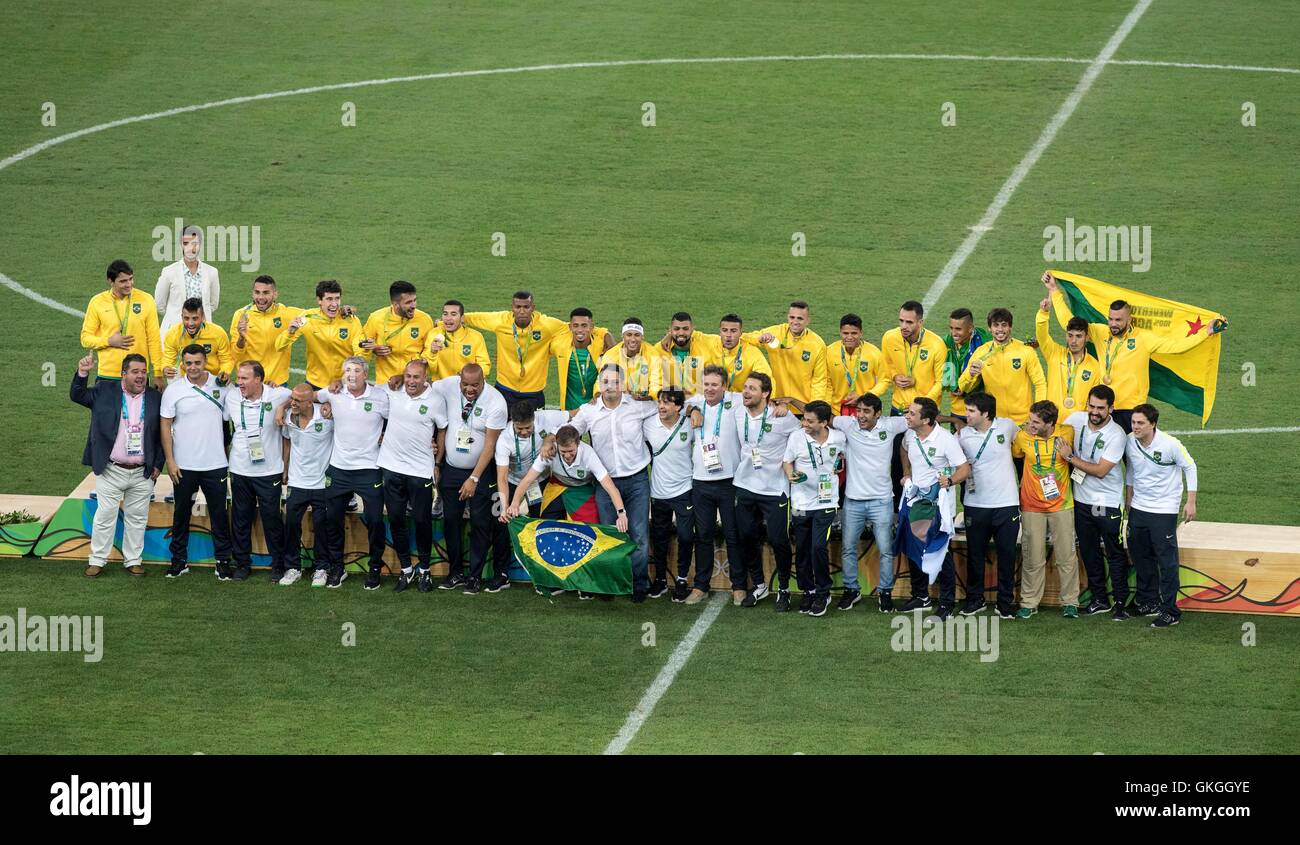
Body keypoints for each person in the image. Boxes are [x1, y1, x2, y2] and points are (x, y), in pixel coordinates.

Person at [1043, 271, 1219, 432]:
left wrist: (1206, 332)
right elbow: (1070, 321)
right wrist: (1054, 291)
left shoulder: (1144, 338)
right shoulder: (1100, 332)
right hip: (1105, 409)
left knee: (1133, 461)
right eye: (1111, 319)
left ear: (1129, 319)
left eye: (1118, 320)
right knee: (1103, 460)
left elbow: (1176, 346)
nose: (1113, 324)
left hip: (1132, 411)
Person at [568, 364, 658, 602]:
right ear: (599, 384)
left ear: (623, 384)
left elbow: (666, 405)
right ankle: (611, 584)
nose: (610, 387)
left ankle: (638, 585)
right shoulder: (589, 412)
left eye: (615, 382)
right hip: (606, 483)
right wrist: (551, 441)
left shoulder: (637, 406)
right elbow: (570, 432)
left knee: (639, 534)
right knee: (609, 535)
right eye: (606, 382)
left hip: (637, 480)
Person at [70, 352, 164, 578]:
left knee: (138, 517)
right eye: (135, 372)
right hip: (111, 468)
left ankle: (133, 560)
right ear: (123, 374)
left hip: (142, 471)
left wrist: (158, 464)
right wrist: (83, 372)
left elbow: (163, 434)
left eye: (144, 371)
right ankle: (97, 560)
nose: (141, 376)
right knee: (105, 516)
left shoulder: (155, 398)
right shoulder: (104, 391)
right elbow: (77, 395)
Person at [1057, 385, 1134, 617]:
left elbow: (1101, 470)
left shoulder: (1117, 434)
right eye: (1091, 406)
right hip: (1081, 501)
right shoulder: (1075, 420)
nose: (1094, 412)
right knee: (1089, 552)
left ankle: (1120, 602)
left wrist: (1070, 457)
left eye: (1101, 408)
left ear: (1111, 408)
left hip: (1108, 503)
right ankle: (1100, 599)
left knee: (1115, 553)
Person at [432, 364, 508, 593]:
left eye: (475, 385)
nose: (469, 389)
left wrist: (474, 478)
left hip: (481, 472)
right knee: (451, 522)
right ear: (459, 380)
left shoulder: (496, 402)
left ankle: (475, 576)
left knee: (480, 523)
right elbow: (423, 386)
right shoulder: (447, 386)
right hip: (452, 469)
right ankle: (455, 573)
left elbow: (490, 445)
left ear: (484, 380)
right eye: (465, 384)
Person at [316, 356, 390, 590]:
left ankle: (375, 567)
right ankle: (337, 567)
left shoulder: (380, 396)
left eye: (356, 370)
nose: (351, 375)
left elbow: (396, 419)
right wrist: (323, 405)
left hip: (369, 469)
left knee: (376, 520)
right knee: (332, 520)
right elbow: (308, 398)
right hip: (339, 469)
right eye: (347, 370)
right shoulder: (333, 392)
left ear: (365, 374)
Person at [160, 344, 233, 579]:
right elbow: (165, 424)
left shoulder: (222, 387)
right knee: (181, 514)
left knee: (219, 515)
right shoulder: (174, 390)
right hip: (184, 465)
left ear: (206, 361)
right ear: (183, 363)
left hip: (215, 464)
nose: (192, 367)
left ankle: (222, 561)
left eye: (197, 363)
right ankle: (178, 560)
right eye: (188, 363)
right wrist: (170, 461)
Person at [831, 392, 908, 612]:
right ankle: (851, 590)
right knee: (847, 548)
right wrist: (789, 402)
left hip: (882, 501)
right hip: (853, 501)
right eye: (859, 410)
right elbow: (821, 414)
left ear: (878, 413)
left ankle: (885, 593)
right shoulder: (848, 424)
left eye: (866, 411)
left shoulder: (890, 425)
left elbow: (919, 418)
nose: (861, 416)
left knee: (885, 550)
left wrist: (955, 422)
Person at [730, 373, 800, 608]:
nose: (746, 392)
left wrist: (785, 404)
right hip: (745, 485)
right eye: (745, 387)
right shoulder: (738, 410)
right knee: (747, 536)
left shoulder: (783, 417)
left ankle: (783, 587)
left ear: (765, 393)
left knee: (779, 540)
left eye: (752, 388)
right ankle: (759, 584)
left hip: (775, 488)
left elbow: (802, 436)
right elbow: (705, 396)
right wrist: (693, 411)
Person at [1125, 404, 1198, 628]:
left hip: (1164, 510)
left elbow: (1190, 466)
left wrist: (1191, 501)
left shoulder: (1170, 444)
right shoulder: (1130, 441)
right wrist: (1129, 499)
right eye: (1133, 422)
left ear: (1153, 424)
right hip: (1139, 507)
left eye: (1140, 423)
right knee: (1141, 556)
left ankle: (1170, 610)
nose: (1135, 427)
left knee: (1167, 562)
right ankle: (1148, 601)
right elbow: (1131, 470)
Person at [898, 397, 970, 620]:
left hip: (937, 506)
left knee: (939, 552)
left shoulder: (946, 440)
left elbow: (964, 468)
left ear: (926, 419)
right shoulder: (910, 435)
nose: (907, 417)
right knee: (913, 549)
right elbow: (903, 450)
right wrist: (907, 474)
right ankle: (921, 596)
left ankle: (947, 603)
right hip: (914, 502)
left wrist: (949, 482)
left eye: (911, 413)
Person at [682, 365, 745, 605]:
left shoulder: (735, 402)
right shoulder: (696, 401)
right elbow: (682, 403)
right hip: (700, 481)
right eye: (706, 384)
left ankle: (738, 586)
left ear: (725, 387)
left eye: (714, 385)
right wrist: (693, 409)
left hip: (730, 480)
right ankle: (700, 586)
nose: (709, 389)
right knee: (704, 535)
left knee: (732, 535)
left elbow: (761, 396)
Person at [1011, 400, 1080, 619]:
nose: (1030, 425)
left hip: (1062, 504)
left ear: (1050, 423)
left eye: (1035, 422)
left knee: (1066, 555)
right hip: (1032, 505)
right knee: (1032, 556)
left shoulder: (1067, 434)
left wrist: (1070, 455)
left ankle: (1070, 602)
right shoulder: (1022, 437)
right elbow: (1017, 457)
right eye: (1030, 420)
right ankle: (1029, 602)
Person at [224, 360, 291, 583]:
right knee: (241, 519)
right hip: (240, 468)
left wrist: (283, 406)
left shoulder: (277, 395)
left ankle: (278, 564)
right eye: (238, 377)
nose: (239, 382)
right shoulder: (232, 396)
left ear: (258, 379)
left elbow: (305, 394)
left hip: (269, 470)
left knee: (272, 519)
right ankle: (242, 564)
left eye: (244, 378)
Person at [955, 392, 1021, 618]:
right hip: (975, 504)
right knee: (975, 555)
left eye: (971, 411)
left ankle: (1005, 603)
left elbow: (1025, 443)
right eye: (966, 410)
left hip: (1007, 503)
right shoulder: (962, 435)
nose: (966, 414)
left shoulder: (1007, 427)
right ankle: (975, 600)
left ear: (986, 413)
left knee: (1007, 554)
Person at [376, 360, 439, 593]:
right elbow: (362, 388)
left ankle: (424, 569)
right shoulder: (392, 391)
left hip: (420, 469)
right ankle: (405, 569)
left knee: (422, 520)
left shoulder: (435, 400)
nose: (412, 381)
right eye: (408, 376)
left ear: (425, 378)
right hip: (391, 467)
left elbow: (442, 429)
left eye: (416, 377)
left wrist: (438, 461)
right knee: (396, 519)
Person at [783, 400, 847, 617]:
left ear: (824, 422)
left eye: (810, 421)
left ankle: (823, 592)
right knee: (802, 549)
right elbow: (787, 461)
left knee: (818, 547)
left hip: (826, 502)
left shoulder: (839, 438)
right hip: (801, 502)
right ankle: (807, 590)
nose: (804, 424)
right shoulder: (796, 437)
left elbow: (843, 460)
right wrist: (790, 473)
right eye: (804, 419)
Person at [464, 291, 570, 409]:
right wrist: (443, 323)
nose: (522, 311)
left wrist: (554, 347)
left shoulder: (546, 324)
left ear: (533, 308)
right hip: (505, 388)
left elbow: (572, 327)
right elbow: (471, 318)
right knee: (500, 426)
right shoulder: (501, 321)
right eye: (518, 307)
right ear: (512, 308)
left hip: (534, 392)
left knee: (532, 427)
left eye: (526, 307)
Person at [280, 383, 337, 587]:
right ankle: (293, 567)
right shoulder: (288, 417)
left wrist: (329, 402)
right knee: (292, 524)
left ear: (310, 401)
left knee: (322, 526)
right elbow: (287, 442)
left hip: (322, 482)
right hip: (297, 481)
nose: (292, 403)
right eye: (292, 399)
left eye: (297, 400)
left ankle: (322, 568)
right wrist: (285, 469)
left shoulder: (326, 417)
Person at [642, 388, 696, 600]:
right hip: (659, 491)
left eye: (667, 403)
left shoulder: (689, 423)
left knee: (685, 535)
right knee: (660, 538)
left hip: (684, 490)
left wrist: (696, 409)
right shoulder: (648, 424)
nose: (662, 407)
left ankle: (682, 579)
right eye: (660, 402)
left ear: (679, 407)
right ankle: (661, 580)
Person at [81, 259, 164, 390]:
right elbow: (85, 339)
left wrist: (158, 373)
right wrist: (109, 341)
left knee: (137, 411)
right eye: (123, 281)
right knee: (108, 411)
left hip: (138, 374)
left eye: (130, 279)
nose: (129, 284)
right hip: (108, 374)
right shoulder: (97, 302)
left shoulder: (146, 299)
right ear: (110, 281)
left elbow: (154, 339)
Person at [958, 308, 1046, 425]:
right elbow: (964, 387)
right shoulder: (981, 352)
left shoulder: (1026, 351)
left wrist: (1038, 412)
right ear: (990, 328)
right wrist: (970, 374)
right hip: (995, 421)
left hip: (1024, 421)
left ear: (1010, 327)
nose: (1000, 329)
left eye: (1004, 325)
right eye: (996, 325)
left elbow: (1040, 383)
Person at [275, 279, 364, 389]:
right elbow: (279, 346)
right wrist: (290, 332)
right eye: (329, 299)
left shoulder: (351, 321)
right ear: (319, 300)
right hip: (315, 384)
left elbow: (360, 353)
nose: (334, 304)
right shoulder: (308, 317)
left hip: (343, 384)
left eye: (337, 298)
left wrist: (347, 378)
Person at [494, 401, 570, 525]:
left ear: (534, 418)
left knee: (539, 518)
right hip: (512, 482)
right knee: (502, 520)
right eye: (519, 428)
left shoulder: (545, 417)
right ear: (512, 421)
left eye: (528, 427)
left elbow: (574, 415)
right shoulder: (504, 440)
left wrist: (551, 437)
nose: (524, 432)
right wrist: (504, 506)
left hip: (539, 480)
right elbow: (502, 477)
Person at [742, 301, 830, 404]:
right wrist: (759, 339)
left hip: (802, 404)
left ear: (808, 321)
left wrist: (814, 406)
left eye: (800, 318)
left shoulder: (817, 344)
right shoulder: (776, 332)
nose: (795, 322)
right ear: (788, 317)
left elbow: (819, 380)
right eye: (792, 317)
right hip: (777, 401)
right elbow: (744, 337)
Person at [229, 275, 301, 386]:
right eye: (257, 292)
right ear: (252, 294)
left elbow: (313, 316)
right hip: (248, 384)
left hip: (276, 384)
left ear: (275, 294)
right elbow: (235, 355)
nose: (261, 297)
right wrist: (241, 337)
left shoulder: (286, 313)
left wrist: (338, 313)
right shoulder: (241, 315)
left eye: (266, 293)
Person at [1035, 295, 1101, 415]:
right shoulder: (1054, 353)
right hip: (1051, 422)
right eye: (1070, 335)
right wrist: (1043, 313)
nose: (1073, 341)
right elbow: (1042, 335)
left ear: (1086, 337)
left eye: (1078, 336)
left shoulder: (1095, 366)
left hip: (1077, 426)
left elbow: (1094, 400)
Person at [879, 300, 947, 415]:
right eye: (901, 321)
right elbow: (886, 366)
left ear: (920, 323)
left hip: (926, 409)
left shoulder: (937, 344)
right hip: (899, 406)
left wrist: (922, 404)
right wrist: (894, 376)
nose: (903, 326)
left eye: (909, 322)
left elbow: (942, 382)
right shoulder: (889, 338)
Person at [359, 280, 435, 382]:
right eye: (408, 302)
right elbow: (361, 344)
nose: (414, 306)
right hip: (386, 382)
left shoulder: (424, 319)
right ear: (395, 304)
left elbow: (430, 348)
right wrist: (373, 348)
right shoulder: (376, 318)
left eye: (414, 300)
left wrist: (421, 362)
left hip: (414, 382)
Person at [155, 224, 220, 332]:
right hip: (174, 332)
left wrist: (196, 319)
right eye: (186, 243)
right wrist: (175, 316)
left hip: (202, 332)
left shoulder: (212, 272)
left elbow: (213, 304)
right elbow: (159, 305)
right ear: (181, 245)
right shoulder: (168, 272)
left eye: (195, 243)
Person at [551, 307, 613, 410]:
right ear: (570, 327)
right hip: (569, 411)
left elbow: (617, 353)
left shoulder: (601, 346)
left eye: (584, 326)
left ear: (592, 327)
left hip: (597, 409)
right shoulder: (559, 346)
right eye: (576, 326)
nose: (580, 330)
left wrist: (607, 336)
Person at [161, 297, 234, 383]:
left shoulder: (218, 333)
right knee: (172, 379)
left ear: (202, 317)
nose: (190, 323)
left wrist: (224, 372)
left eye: (195, 318)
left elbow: (226, 359)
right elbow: (168, 357)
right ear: (182, 317)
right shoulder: (173, 333)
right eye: (186, 318)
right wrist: (166, 368)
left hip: (213, 379)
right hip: (187, 378)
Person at [825, 314, 884, 417]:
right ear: (840, 332)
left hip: (865, 411)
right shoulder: (829, 352)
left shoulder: (874, 353)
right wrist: (826, 406)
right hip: (836, 412)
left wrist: (864, 397)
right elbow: (826, 382)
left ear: (861, 333)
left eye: (854, 333)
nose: (849, 337)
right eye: (845, 333)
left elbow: (884, 380)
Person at [941, 308, 990, 428]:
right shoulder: (947, 342)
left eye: (958, 329)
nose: (953, 333)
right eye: (951, 328)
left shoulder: (985, 341)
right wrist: (951, 383)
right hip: (957, 408)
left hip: (979, 408)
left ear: (970, 328)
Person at [704, 313, 771, 393]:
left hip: (742, 400)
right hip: (714, 398)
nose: (728, 335)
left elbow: (766, 378)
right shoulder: (710, 345)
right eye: (724, 330)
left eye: (733, 331)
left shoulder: (752, 352)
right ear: (720, 332)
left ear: (741, 333)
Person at [427, 299, 492, 380]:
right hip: (441, 386)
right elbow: (430, 370)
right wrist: (432, 353)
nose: (448, 318)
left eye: (453, 314)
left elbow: (484, 365)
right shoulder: (433, 334)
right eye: (445, 314)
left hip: (467, 386)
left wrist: (469, 376)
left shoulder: (476, 337)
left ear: (462, 318)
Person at [599, 318, 662, 398]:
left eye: (637, 335)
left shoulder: (653, 354)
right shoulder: (611, 355)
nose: (633, 339)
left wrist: (650, 397)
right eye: (629, 335)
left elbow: (656, 383)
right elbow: (603, 381)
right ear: (622, 336)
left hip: (646, 401)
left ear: (642, 337)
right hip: (619, 399)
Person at [655, 312, 713, 396]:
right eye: (676, 329)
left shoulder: (705, 344)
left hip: (697, 400)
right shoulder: (659, 349)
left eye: (685, 329)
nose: (681, 333)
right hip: (669, 401)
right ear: (670, 330)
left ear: (692, 329)